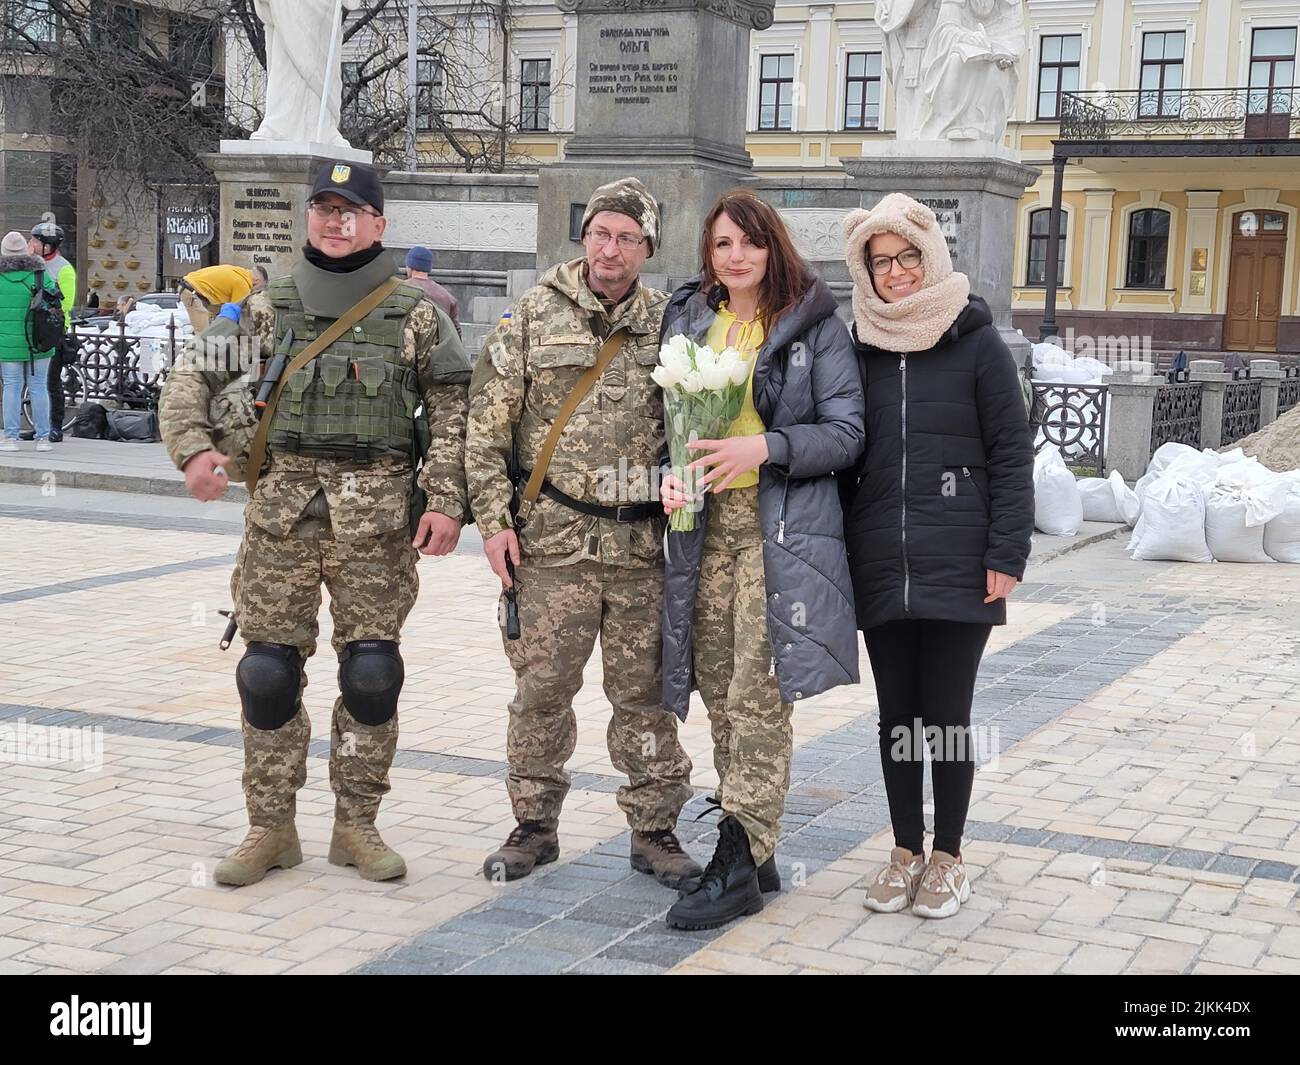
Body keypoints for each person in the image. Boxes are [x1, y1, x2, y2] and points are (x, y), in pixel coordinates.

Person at [159, 160, 472, 887]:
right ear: (309, 219)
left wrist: (448, 500)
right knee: (266, 672)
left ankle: (356, 825)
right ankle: (270, 828)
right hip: (281, 517)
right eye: (324, 209)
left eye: (351, 210)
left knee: (371, 674)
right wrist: (195, 450)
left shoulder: (414, 312)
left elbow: (459, 411)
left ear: (379, 224)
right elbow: (191, 379)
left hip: (378, 521)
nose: (336, 221)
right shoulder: (268, 309)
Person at [465, 177, 701, 890]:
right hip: (551, 546)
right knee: (540, 692)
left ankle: (655, 829)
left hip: (636, 551)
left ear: (648, 247)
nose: (612, 248)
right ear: (584, 236)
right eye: (601, 232)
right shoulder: (533, 315)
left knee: (647, 697)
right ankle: (533, 825)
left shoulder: (670, 323)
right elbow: (486, 428)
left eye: (629, 237)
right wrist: (492, 522)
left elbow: (690, 425)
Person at [657, 189, 865, 931]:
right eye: (722, 245)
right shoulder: (689, 319)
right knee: (716, 680)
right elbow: (667, 424)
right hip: (702, 529)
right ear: (708, 256)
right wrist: (670, 469)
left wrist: (766, 446)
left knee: (758, 689)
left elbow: (846, 433)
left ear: (773, 248)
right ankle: (757, 841)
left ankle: (738, 856)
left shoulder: (812, 326)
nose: (736, 256)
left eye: (750, 243)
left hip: (780, 530)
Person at [839, 193, 1033, 919]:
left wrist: (1007, 548)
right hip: (882, 561)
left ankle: (948, 856)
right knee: (897, 716)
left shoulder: (976, 342)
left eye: (906, 256)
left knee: (947, 715)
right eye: (880, 261)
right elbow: (843, 453)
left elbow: (1012, 454)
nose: (894, 273)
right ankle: (904, 849)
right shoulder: (858, 345)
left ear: (932, 255)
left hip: (961, 564)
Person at [0, 230, 61, 452]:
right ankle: (43, 438)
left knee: (12, 387)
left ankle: (10, 438)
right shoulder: (39, 274)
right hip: (39, 342)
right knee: (38, 387)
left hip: (7, 343)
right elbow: (56, 301)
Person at [26, 220, 75, 442]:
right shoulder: (30, 263)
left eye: (35, 240)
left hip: (53, 331)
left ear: (49, 245)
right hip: (32, 330)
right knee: (34, 382)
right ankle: (39, 426)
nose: (31, 243)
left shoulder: (63, 268)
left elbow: (66, 303)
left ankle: (55, 425)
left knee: (51, 381)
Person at [179, 265, 256, 332]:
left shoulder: (236, 272)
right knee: (203, 335)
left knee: (209, 328)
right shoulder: (243, 284)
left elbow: (220, 307)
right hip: (193, 293)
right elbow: (235, 311)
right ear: (257, 281)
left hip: (194, 290)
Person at [403, 247, 460, 336]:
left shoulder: (399, 289)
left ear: (410, 266)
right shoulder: (447, 296)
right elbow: (456, 332)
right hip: (438, 347)